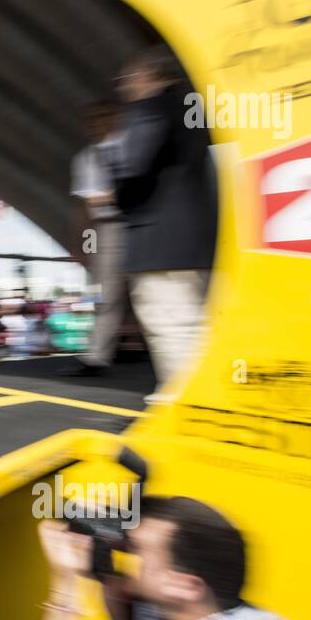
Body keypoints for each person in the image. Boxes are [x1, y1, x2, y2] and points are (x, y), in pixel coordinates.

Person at [29, 496, 311, 620]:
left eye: (136, 550)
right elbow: (144, 618)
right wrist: (108, 568)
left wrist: (65, 584)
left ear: (187, 585)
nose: (129, 559)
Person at [107, 47, 218, 401]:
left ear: (146, 76)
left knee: (168, 320)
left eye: (127, 80)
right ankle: (192, 392)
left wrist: (116, 194)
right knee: (192, 319)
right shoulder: (192, 109)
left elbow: (135, 166)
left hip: (160, 239)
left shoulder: (151, 108)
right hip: (193, 239)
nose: (124, 88)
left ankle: (184, 399)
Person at [61, 100, 127, 377]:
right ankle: (97, 356)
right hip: (110, 228)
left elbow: (97, 198)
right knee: (107, 294)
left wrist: (107, 197)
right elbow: (85, 206)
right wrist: (80, 245)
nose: (98, 123)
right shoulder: (86, 158)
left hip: (143, 224)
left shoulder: (131, 145)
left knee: (149, 289)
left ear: (116, 117)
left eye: (104, 116)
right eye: (92, 119)